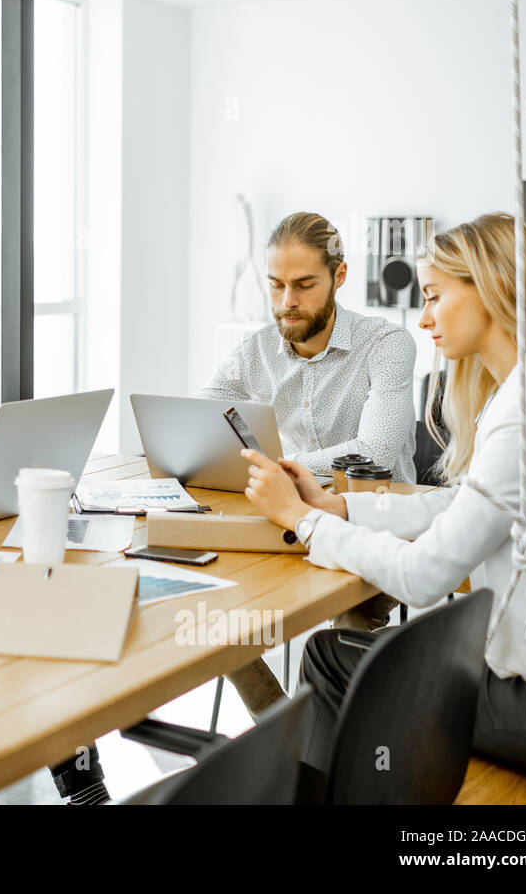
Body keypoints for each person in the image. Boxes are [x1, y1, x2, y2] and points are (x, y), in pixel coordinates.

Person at [241, 213, 526, 780]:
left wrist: (303, 521)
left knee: (328, 658)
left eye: (433, 297)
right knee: (356, 654)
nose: (423, 319)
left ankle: (317, 796)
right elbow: (462, 505)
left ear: (492, 289)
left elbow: (424, 577)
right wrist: (338, 507)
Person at [201, 212, 418, 715]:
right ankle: (286, 731)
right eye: (275, 285)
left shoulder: (387, 345)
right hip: (289, 519)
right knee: (215, 613)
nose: (286, 303)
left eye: (303, 285)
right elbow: (204, 416)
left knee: (347, 627)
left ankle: (329, 751)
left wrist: (281, 465)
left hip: (377, 522)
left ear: (338, 277)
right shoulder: (256, 349)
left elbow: (378, 449)